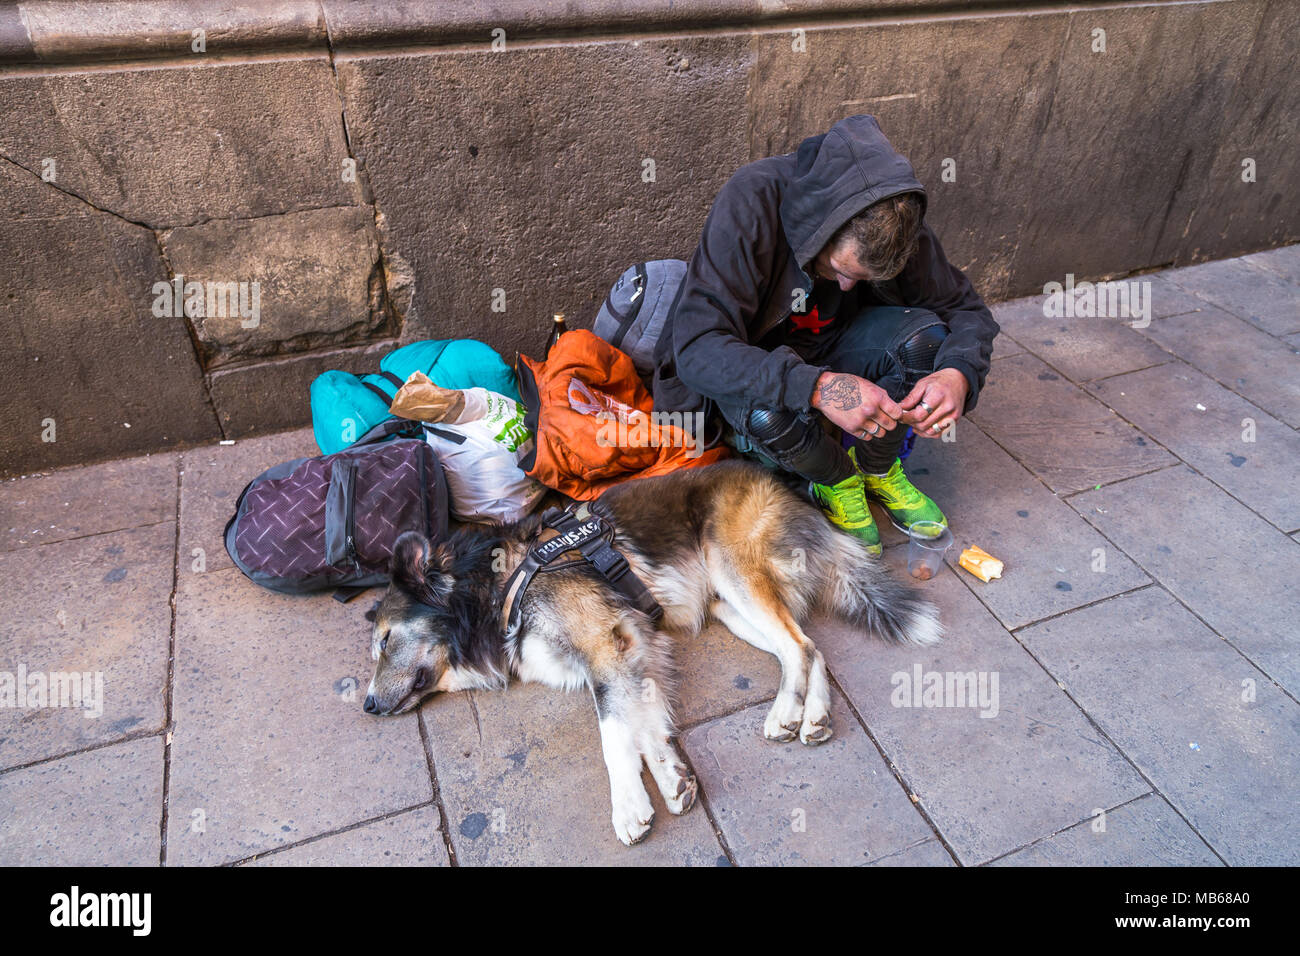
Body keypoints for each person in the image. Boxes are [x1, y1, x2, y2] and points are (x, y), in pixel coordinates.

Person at [651, 115, 999, 554]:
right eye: (838, 270)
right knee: (768, 410)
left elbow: (965, 310)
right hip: (757, 358)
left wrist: (958, 372)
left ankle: (878, 469)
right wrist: (818, 387)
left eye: (862, 279)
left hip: (834, 343)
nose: (847, 287)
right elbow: (698, 349)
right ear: (820, 228)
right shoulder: (751, 199)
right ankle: (836, 480)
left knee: (928, 341)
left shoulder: (897, 220)